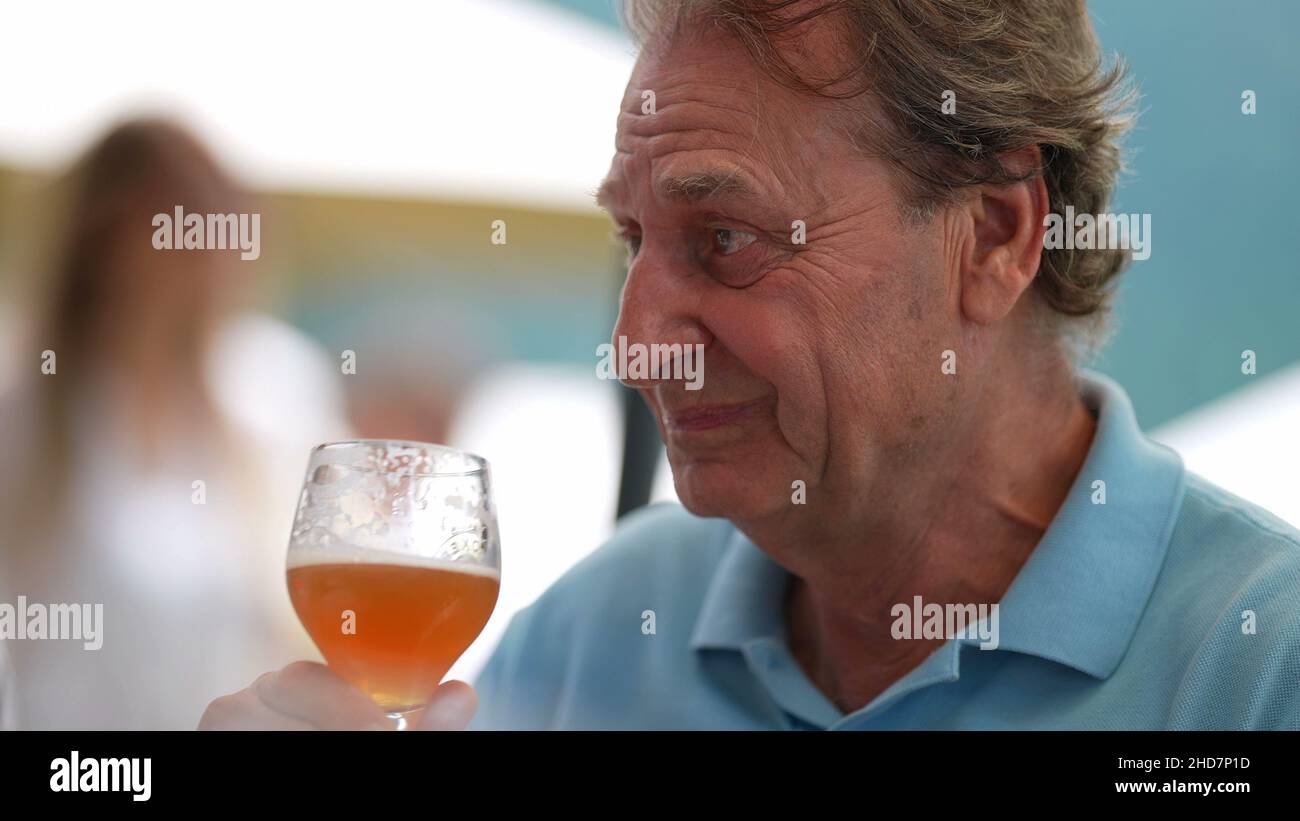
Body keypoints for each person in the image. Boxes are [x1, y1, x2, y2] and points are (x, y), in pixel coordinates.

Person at [200, 0, 1300, 730]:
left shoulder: (1254, 669)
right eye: (632, 241)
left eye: (724, 239)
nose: (633, 345)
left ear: (1000, 235)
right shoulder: (599, 631)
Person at [0, 118, 349, 729]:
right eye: (174, 213)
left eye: (217, 213)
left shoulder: (274, 390)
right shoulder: (23, 402)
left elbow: (313, 630)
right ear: (101, 235)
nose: (205, 239)